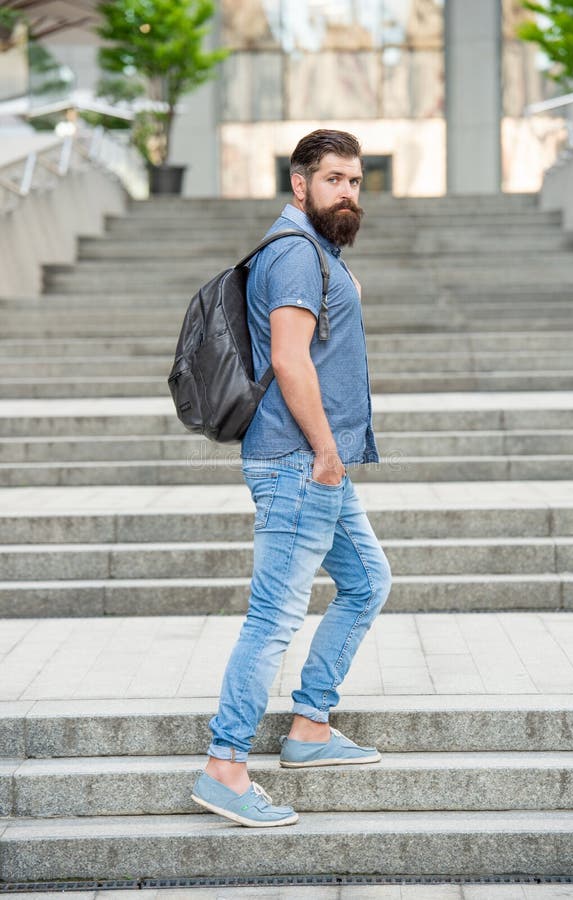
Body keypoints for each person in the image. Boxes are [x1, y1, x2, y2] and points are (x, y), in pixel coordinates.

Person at [191, 129, 392, 828]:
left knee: (368, 581)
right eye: (333, 179)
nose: (347, 192)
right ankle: (224, 764)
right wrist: (328, 455)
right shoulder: (297, 256)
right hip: (300, 463)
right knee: (273, 619)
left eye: (356, 181)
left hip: (312, 463)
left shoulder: (316, 255)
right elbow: (289, 359)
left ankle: (309, 726)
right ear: (299, 184)